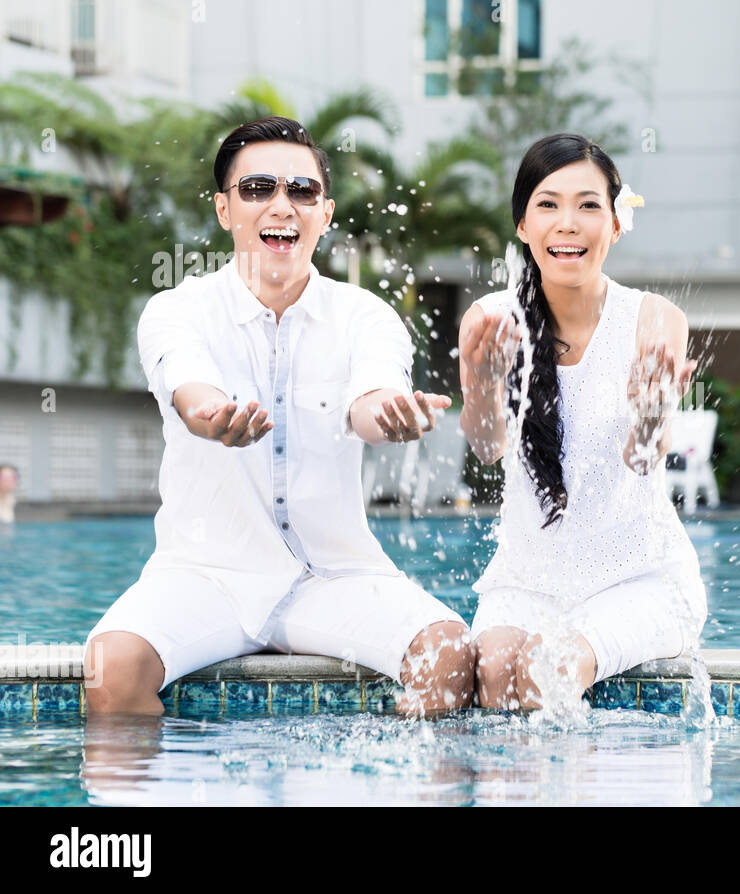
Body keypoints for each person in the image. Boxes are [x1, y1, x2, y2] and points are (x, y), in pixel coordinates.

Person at [83, 116, 474, 718]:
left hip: (332, 575)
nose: (281, 206)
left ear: (326, 211)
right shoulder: (176, 310)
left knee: (449, 654)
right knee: (111, 671)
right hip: (206, 575)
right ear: (223, 209)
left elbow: (370, 399)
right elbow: (191, 390)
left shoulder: (365, 316)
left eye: (302, 191)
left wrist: (389, 413)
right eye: (258, 189)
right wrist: (212, 416)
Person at [461, 133, 707, 711]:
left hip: (638, 581)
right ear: (522, 225)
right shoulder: (492, 317)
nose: (567, 223)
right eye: (548, 204)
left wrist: (650, 415)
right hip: (525, 584)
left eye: (588, 205)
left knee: (550, 669)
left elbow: (645, 457)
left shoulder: (653, 319)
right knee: (494, 669)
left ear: (616, 225)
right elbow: (488, 447)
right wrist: (483, 381)